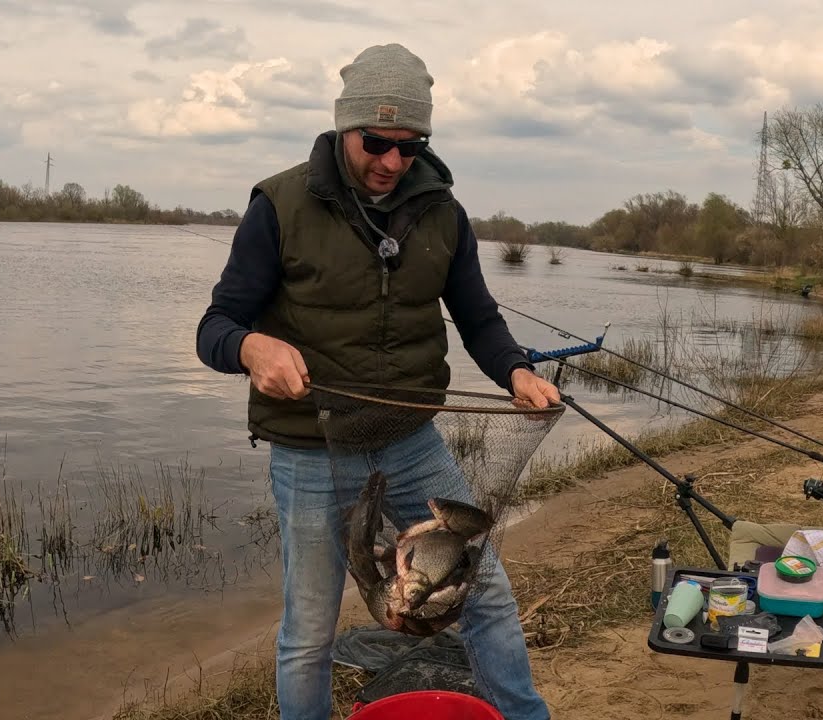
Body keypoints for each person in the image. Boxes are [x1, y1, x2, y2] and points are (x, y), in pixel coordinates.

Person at [195, 43, 559, 720]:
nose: (393, 161)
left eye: (411, 145)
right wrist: (251, 347)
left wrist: (515, 369)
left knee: (485, 592)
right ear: (344, 128)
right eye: (377, 142)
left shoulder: (444, 214)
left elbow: (478, 318)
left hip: (411, 442)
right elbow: (214, 328)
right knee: (309, 632)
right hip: (309, 449)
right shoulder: (278, 205)